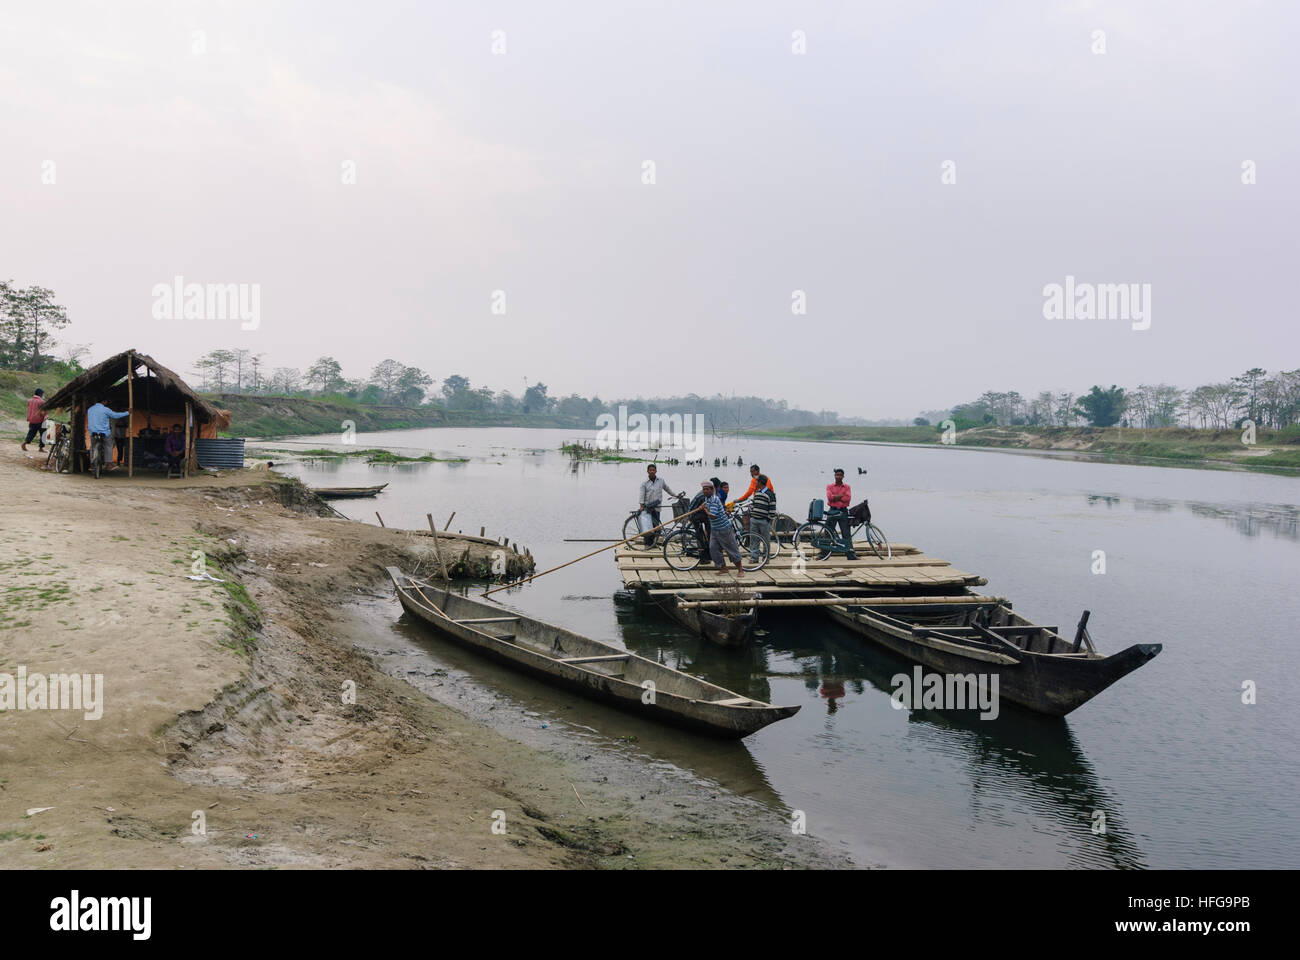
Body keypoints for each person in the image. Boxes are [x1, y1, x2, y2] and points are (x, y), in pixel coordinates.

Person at [701, 480, 744, 576]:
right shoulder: (708, 498)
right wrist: (703, 506)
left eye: (707, 489)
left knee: (731, 549)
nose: (705, 491)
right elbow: (707, 505)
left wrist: (705, 510)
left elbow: (712, 515)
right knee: (713, 548)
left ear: (712, 490)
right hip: (715, 529)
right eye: (704, 489)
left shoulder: (715, 500)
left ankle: (740, 570)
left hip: (724, 529)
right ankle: (723, 568)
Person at [636, 463, 679, 547]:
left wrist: (675, 495)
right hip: (647, 508)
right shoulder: (644, 483)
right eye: (650, 470)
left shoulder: (661, 481)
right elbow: (641, 495)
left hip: (657, 507)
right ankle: (648, 543)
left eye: (653, 470)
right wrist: (641, 506)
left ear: (656, 471)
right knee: (648, 527)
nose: (652, 471)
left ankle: (653, 543)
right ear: (647, 471)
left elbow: (667, 489)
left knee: (656, 526)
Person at [86, 398, 130, 472]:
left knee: (93, 447)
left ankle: (92, 464)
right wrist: (127, 412)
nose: (107, 402)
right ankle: (109, 464)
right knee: (108, 445)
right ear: (104, 401)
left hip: (93, 432)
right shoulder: (106, 409)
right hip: (104, 432)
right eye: (106, 401)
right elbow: (115, 415)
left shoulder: (90, 409)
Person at [826, 467, 857, 560]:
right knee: (828, 531)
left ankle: (850, 554)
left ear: (843, 476)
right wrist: (840, 496)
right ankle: (823, 553)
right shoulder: (829, 486)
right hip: (832, 510)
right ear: (834, 476)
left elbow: (847, 499)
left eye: (840, 475)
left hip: (843, 511)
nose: (838, 477)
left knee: (846, 533)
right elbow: (830, 498)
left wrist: (836, 497)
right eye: (837, 475)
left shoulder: (847, 487)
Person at [747, 474, 776, 564]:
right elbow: (754, 504)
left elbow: (772, 509)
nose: (755, 483)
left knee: (765, 540)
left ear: (760, 482)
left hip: (764, 521)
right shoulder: (757, 493)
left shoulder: (770, 494)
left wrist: (768, 519)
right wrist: (752, 514)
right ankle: (754, 557)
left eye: (757, 481)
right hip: (754, 520)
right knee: (754, 539)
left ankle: (766, 558)